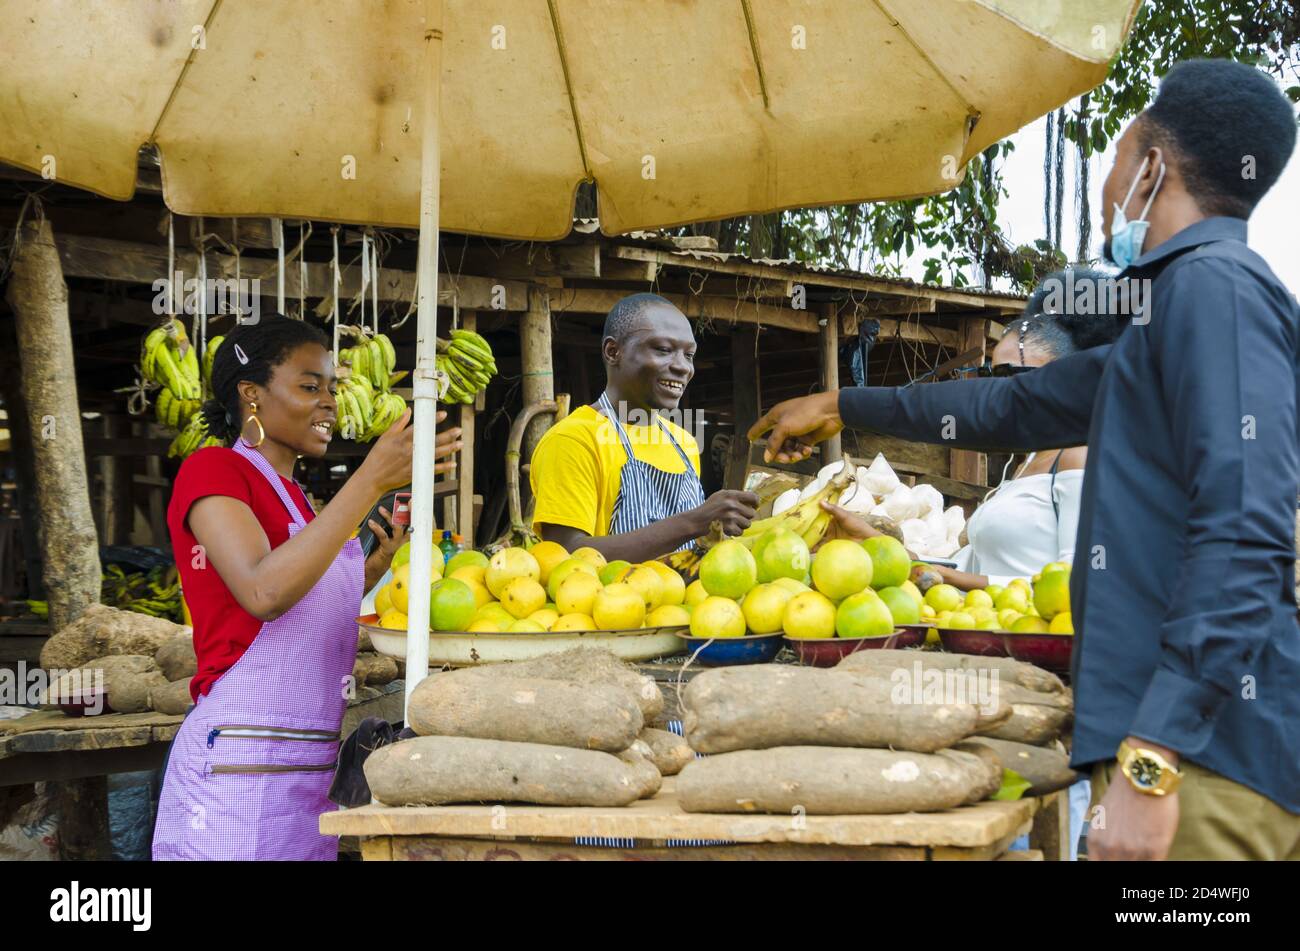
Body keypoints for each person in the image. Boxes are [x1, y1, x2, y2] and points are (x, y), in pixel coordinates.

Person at [750, 60, 1300, 860]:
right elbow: (1017, 403)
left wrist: (1151, 767)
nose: (1106, 185)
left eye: (1116, 158)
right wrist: (844, 404)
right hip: (1189, 759)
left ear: (1152, 167)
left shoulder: (1215, 293)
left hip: (1204, 771)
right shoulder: (1172, 306)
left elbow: (1245, 536)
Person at [152, 315, 461, 860]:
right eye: (309, 386)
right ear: (251, 395)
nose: (329, 403)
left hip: (307, 774)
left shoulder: (295, 497)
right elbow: (263, 593)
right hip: (237, 776)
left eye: (333, 389)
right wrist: (367, 481)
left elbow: (303, 601)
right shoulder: (213, 471)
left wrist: (369, 570)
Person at [530, 293, 757, 559]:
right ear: (613, 352)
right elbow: (565, 554)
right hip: (608, 599)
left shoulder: (683, 442)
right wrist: (695, 522)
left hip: (682, 600)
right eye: (663, 350)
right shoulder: (574, 440)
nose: (682, 367)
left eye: (689, 355)